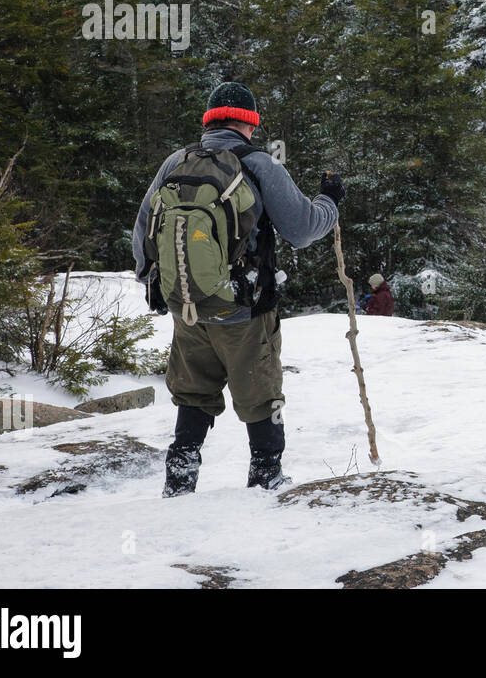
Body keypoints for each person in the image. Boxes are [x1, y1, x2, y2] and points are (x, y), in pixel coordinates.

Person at [132, 82, 344, 497]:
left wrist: (159, 286)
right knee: (262, 395)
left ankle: (179, 483)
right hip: (244, 307)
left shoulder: (176, 161)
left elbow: (144, 228)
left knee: (193, 396)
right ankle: (267, 480)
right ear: (250, 124)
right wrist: (330, 202)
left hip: (188, 308)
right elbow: (301, 229)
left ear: (209, 120)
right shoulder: (259, 163)